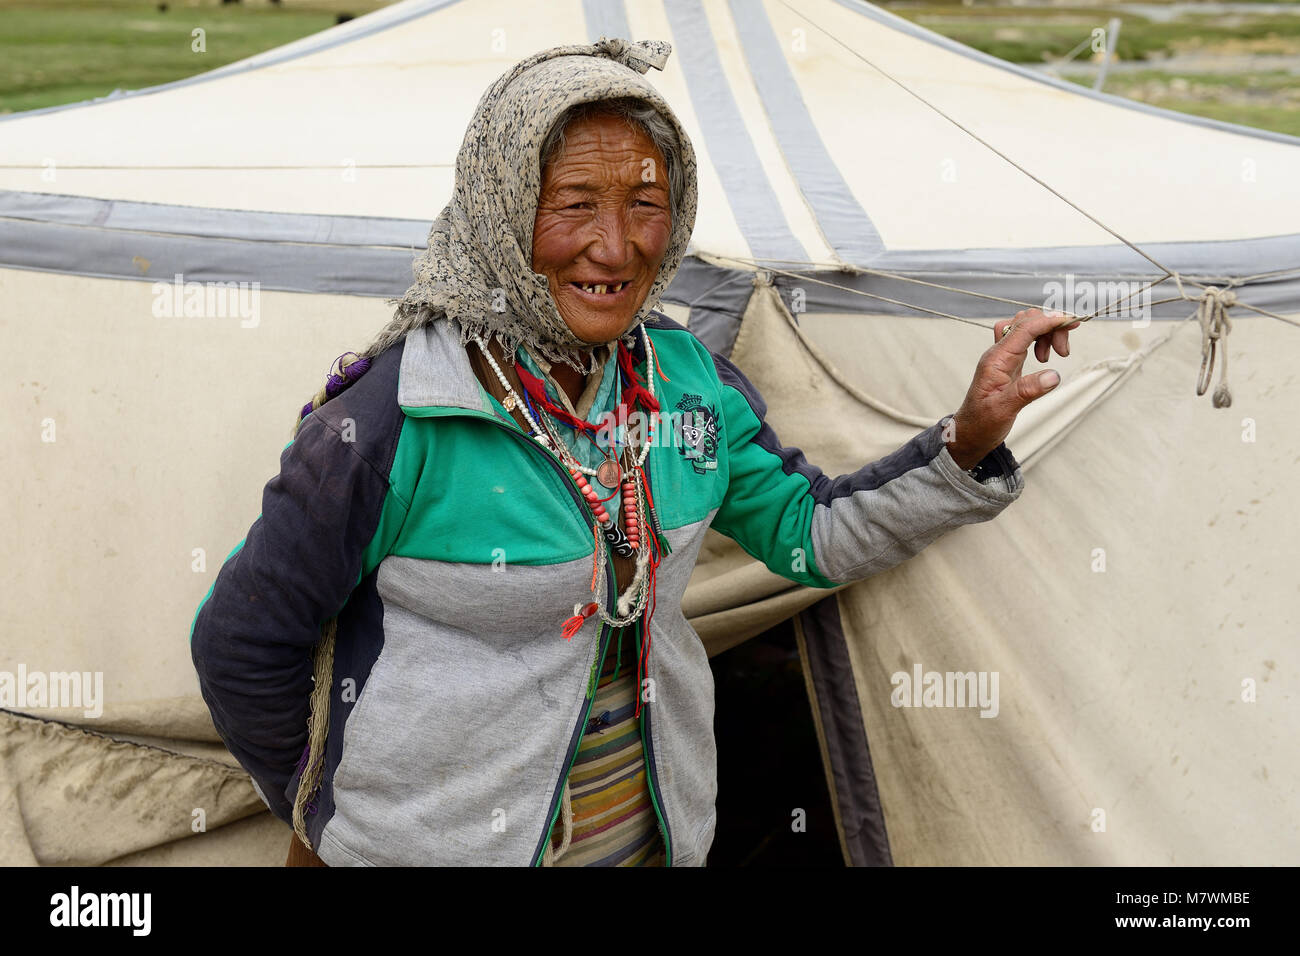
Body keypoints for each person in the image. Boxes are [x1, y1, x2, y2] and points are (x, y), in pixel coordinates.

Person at [189, 37, 1077, 868]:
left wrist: (968, 438)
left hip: (651, 843)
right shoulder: (395, 416)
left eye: (645, 204)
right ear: (501, 209)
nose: (615, 248)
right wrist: (340, 819)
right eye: (574, 205)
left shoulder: (687, 384)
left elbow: (813, 534)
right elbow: (241, 643)